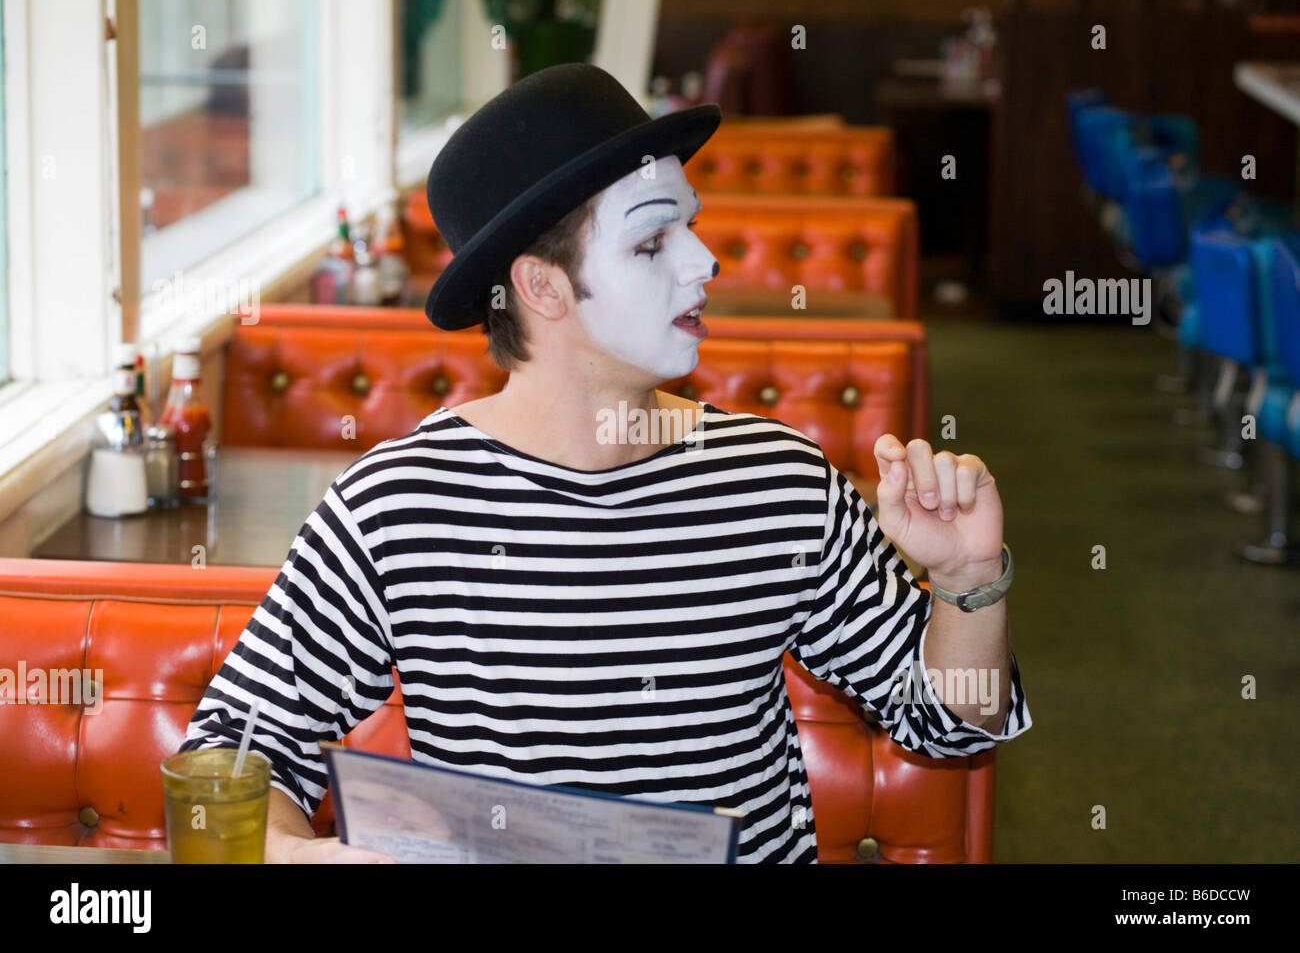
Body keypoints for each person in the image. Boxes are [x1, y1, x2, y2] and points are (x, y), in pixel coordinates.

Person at [181, 63, 1032, 864]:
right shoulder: (394, 508)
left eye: (689, 224)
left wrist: (967, 577)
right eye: (652, 242)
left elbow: (954, 725)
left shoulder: (779, 483)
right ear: (543, 288)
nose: (705, 262)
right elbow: (230, 753)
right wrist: (295, 853)